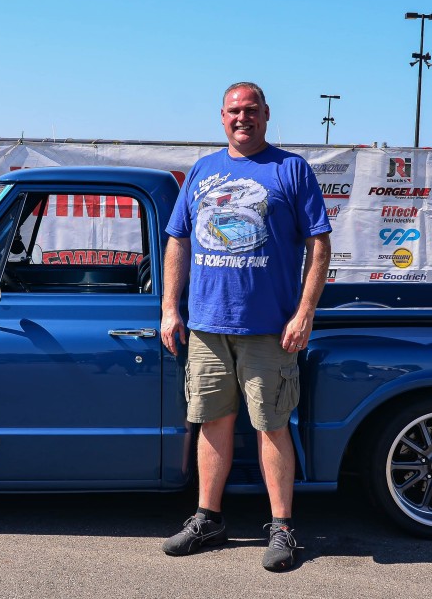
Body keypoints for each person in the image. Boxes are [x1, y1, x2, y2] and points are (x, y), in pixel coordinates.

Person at [160, 81, 332, 571]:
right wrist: (170, 307)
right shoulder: (202, 170)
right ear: (222, 117)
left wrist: (305, 312)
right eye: (234, 111)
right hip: (207, 326)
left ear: (266, 114)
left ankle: (282, 528)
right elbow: (179, 240)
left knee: (272, 426)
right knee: (212, 422)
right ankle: (208, 519)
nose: (243, 117)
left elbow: (319, 243)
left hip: (269, 329)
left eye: (251, 109)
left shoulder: (290, 169)